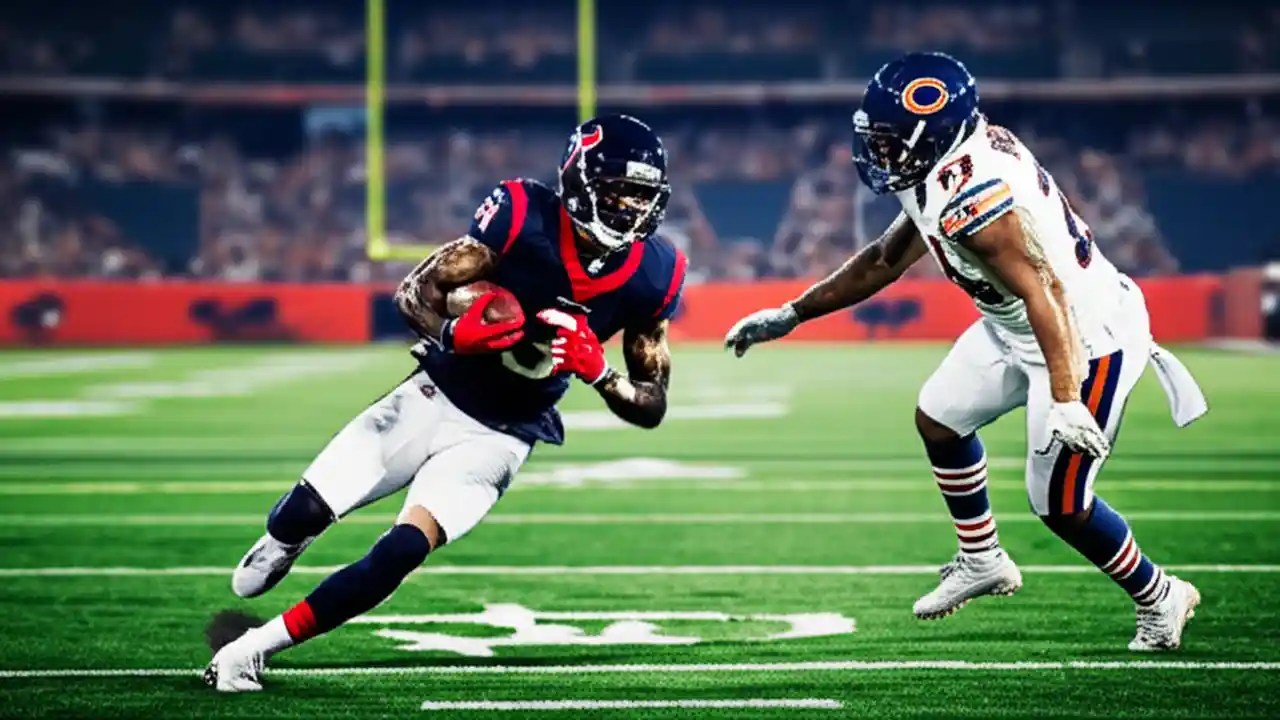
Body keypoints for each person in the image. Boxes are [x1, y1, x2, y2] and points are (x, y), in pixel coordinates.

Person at [724, 53, 1208, 651]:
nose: (882, 154)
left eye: (894, 141)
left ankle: (1162, 595)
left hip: (1084, 335)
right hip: (1012, 323)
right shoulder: (941, 162)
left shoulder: (976, 197)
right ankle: (982, 559)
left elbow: (1046, 290)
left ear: (935, 136)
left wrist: (1063, 396)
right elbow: (883, 259)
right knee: (940, 419)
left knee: (1058, 503)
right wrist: (793, 313)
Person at [206, 114, 688, 691]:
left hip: (505, 433)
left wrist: (601, 373)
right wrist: (453, 335)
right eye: (618, 192)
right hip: (435, 394)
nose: (631, 210)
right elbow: (416, 291)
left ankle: (256, 647)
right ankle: (288, 538)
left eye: (642, 197)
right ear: (579, 180)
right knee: (300, 513)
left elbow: (652, 403)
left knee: (403, 550)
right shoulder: (520, 218)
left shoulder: (654, 274)